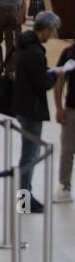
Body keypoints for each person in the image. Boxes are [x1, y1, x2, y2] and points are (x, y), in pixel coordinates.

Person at [13, 11, 69, 212]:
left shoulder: (24, 45)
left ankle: (25, 196)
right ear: (45, 29)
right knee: (29, 155)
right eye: (52, 31)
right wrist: (56, 74)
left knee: (28, 154)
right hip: (32, 110)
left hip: (23, 106)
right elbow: (41, 84)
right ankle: (24, 201)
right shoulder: (34, 52)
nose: (53, 35)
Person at [57, 33, 75, 204]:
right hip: (71, 109)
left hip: (70, 108)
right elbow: (60, 80)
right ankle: (64, 186)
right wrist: (59, 107)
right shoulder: (69, 53)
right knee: (67, 150)